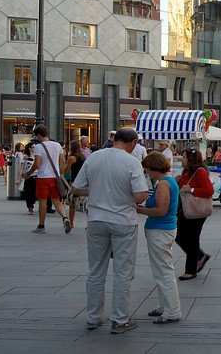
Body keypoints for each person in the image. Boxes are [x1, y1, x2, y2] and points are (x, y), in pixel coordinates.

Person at [71, 127, 151, 333]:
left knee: (96, 271)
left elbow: (76, 188)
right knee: (123, 272)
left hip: (96, 219)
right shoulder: (131, 162)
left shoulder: (94, 158)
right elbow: (141, 195)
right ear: (133, 144)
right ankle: (119, 319)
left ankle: (93, 316)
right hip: (123, 220)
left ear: (114, 139)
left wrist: (97, 191)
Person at [136, 151, 182, 325]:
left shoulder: (163, 184)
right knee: (161, 271)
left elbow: (161, 210)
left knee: (164, 272)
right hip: (164, 229)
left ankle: (172, 311)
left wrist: (140, 210)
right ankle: (165, 306)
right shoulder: (168, 182)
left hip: (160, 230)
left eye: (147, 169)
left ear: (154, 167)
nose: (147, 172)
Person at [175, 148, 213, 281]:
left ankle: (190, 270)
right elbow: (182, 188)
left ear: (191, 159)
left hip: (196, 211)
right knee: (179, 236)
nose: (182, 159)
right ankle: (200, 256)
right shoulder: (186, 171)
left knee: (191, 239)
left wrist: (191, 190)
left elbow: (209, 190)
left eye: (184, 157)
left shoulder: (200, 172)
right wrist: (178, 181)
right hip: (186, 209)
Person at [25, 125, 71, 234]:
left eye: (36, 136)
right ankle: (65, 218)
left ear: (39, 135)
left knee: (43, 202)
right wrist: (61, 174)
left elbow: (37, 164)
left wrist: (28, 173)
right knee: (56, 201)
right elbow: (62, 162)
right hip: (55, 177)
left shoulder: (38, 147)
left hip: (43, 178)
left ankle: (41, 226)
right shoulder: (57, 145)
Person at [64, 140, 86, 229]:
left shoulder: (71, 158)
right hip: (83, 182)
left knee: (72, 203)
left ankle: (72, 223)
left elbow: (66, 171)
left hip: (74, 182)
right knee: (84, 203)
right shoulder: (83, 157)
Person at [18, 143, 37, 215]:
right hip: (28, 177)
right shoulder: (25, 157)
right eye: (33, 147)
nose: (34, 148)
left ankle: (32, 203)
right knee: (28, 193)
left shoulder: (37, 156)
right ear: (29, 148)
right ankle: (30, 207)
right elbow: (21, 168)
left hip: (36, 176)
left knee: (34, 193)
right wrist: (18, 178)